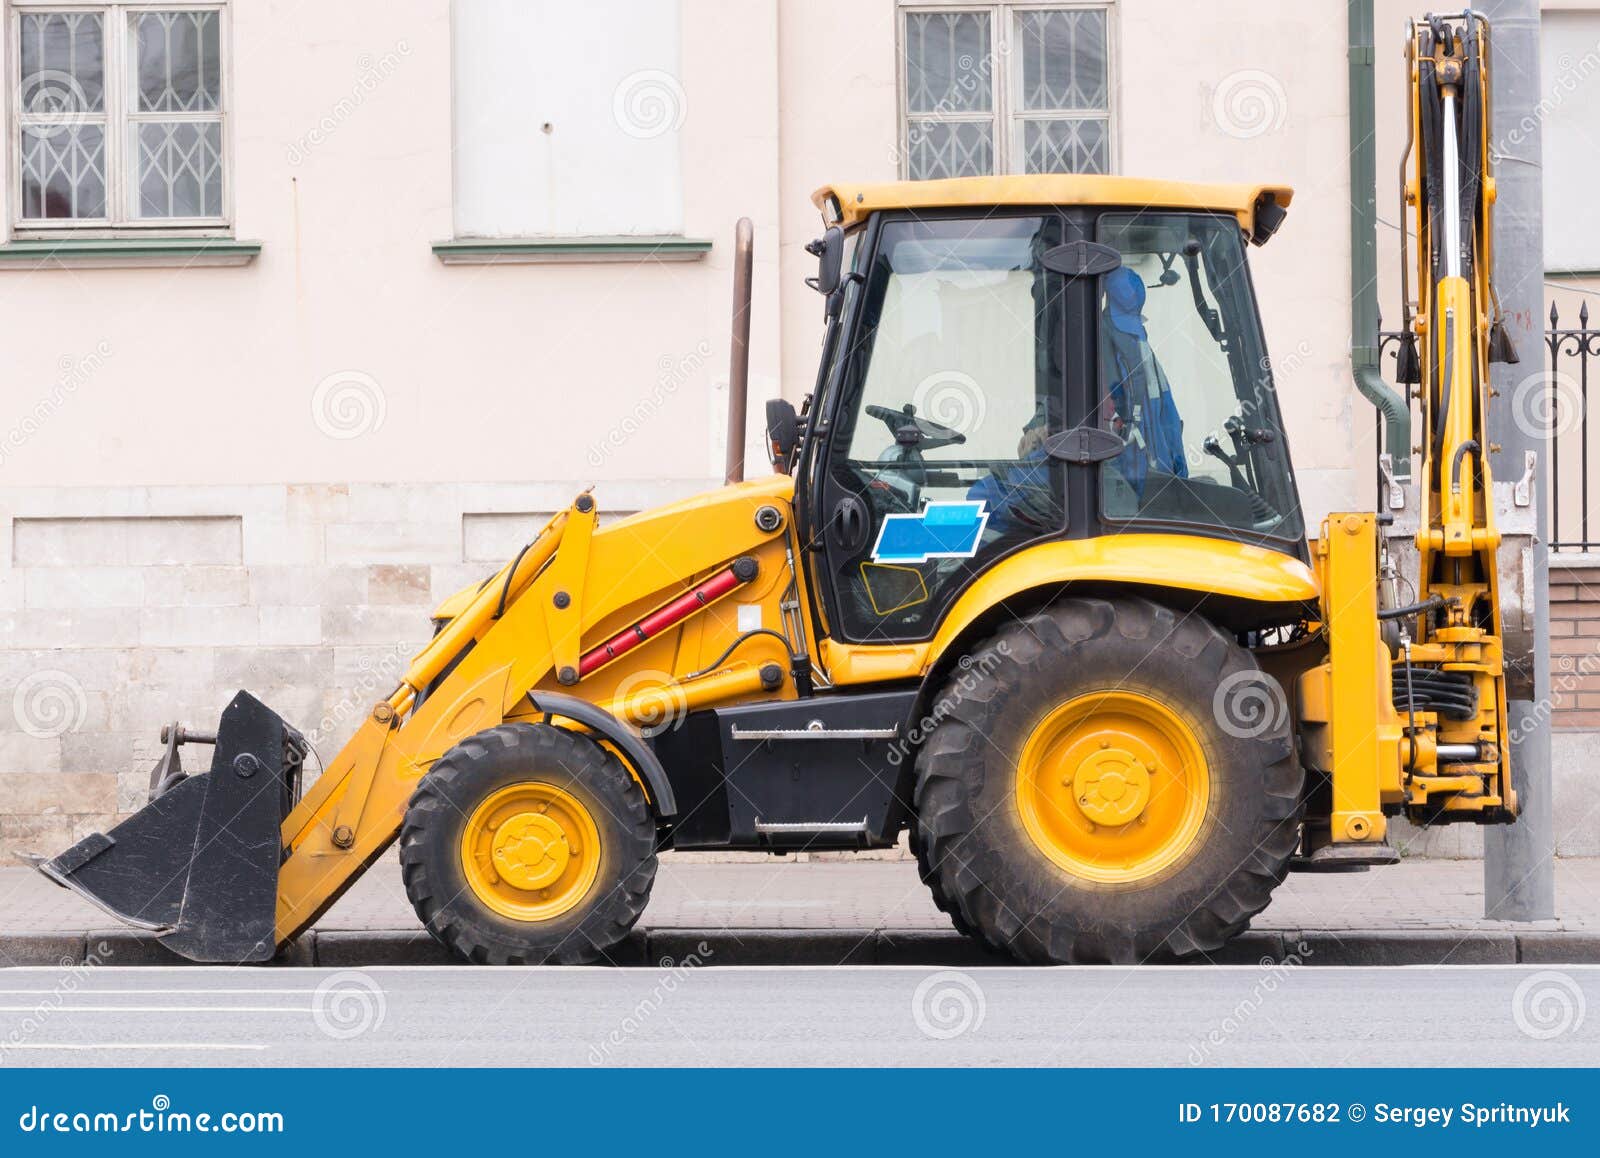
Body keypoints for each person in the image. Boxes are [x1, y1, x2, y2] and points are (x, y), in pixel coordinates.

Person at [1103, 266, 1186, 497]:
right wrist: (1180, 470)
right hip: (1151, 480)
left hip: (1134, 486)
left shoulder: (1105, 337)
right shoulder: (1140, 344)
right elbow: (1168, 418)